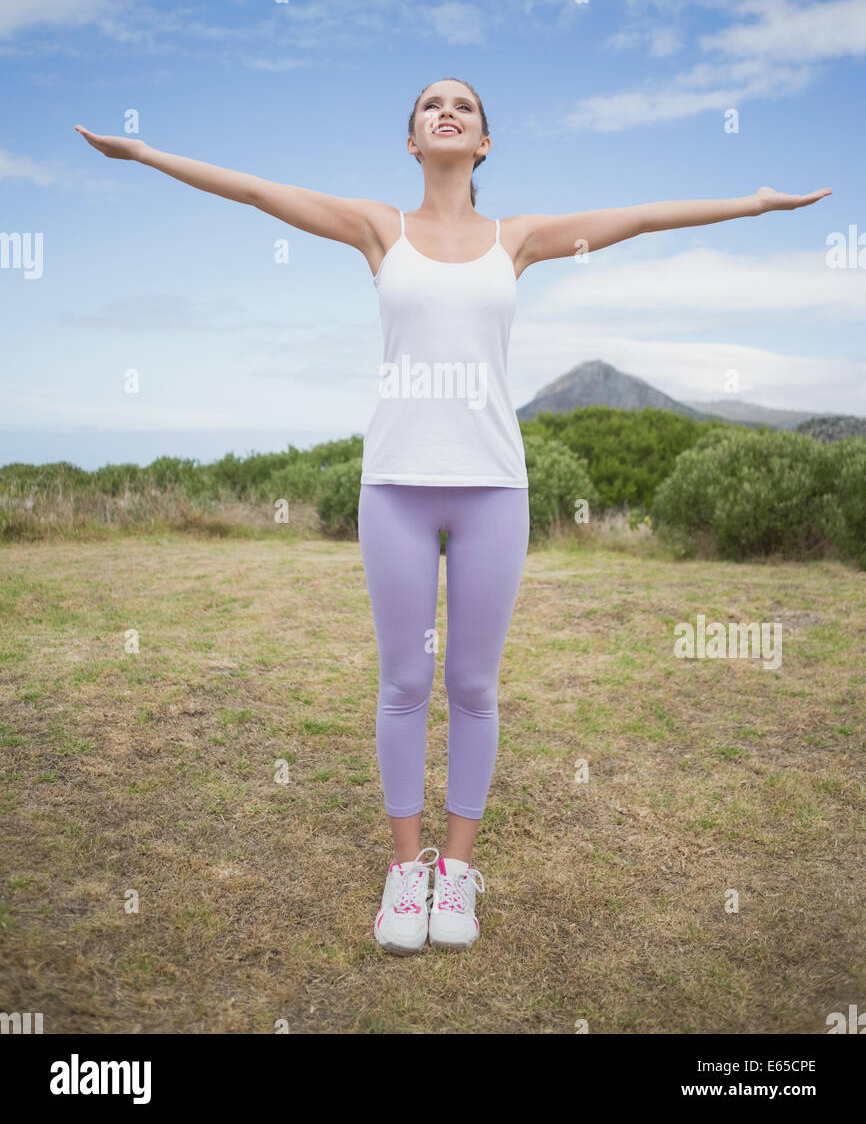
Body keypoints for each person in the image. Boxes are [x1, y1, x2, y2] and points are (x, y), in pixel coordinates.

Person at [74, 82, 830, 955]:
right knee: (402, 684)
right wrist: (145, 154)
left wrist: (758, 204)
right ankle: (405, 876)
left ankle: (457, 874)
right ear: (410, 141)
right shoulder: (376, 229)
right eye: (431, 104)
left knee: (471, 687)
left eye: (463, 107)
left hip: (493, 490)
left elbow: (648, 216)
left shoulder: (520, 241)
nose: (446, 111)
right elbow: (251, 189)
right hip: (394, 484)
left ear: (484, 144)